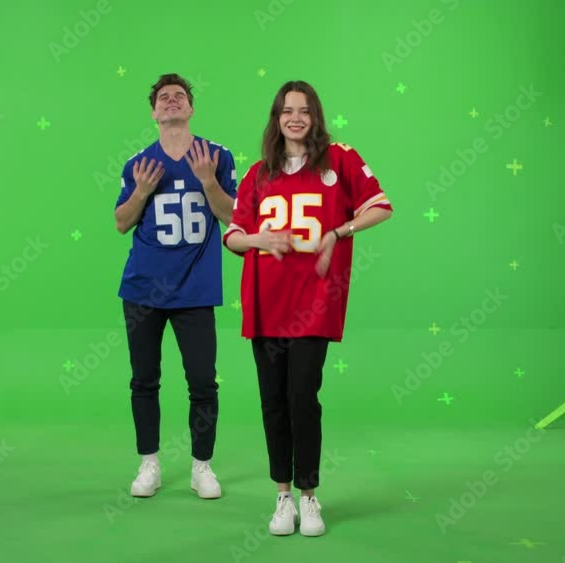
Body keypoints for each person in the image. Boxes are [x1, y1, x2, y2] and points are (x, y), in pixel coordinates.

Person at [222, 80, 393, 536]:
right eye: (286, 111)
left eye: (303, 110)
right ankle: (282, 497)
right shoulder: (258, 172)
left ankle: (310, 496)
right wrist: (261, 239)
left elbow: (381, 207)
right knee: (272, 402)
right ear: (276, 119)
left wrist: (337, 233)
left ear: (315, 116)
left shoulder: (340, 159)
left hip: (314, 301)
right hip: (265, 302)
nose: (295, 118)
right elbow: (235, 235)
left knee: (303, 396)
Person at [114, 73, 237, 500]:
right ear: (153, 112)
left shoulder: (216, 155)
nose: (171, 102)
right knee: (144, 380)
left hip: (196, 289)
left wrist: (208, 181)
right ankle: (149, 463)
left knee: (203, 381)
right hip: (143, 289)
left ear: (190, 108)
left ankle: (201, 466)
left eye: (179, 96)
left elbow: (233, 216)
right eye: (163, 98)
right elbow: (121, 222)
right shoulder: (138, 163)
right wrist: (143, 191)